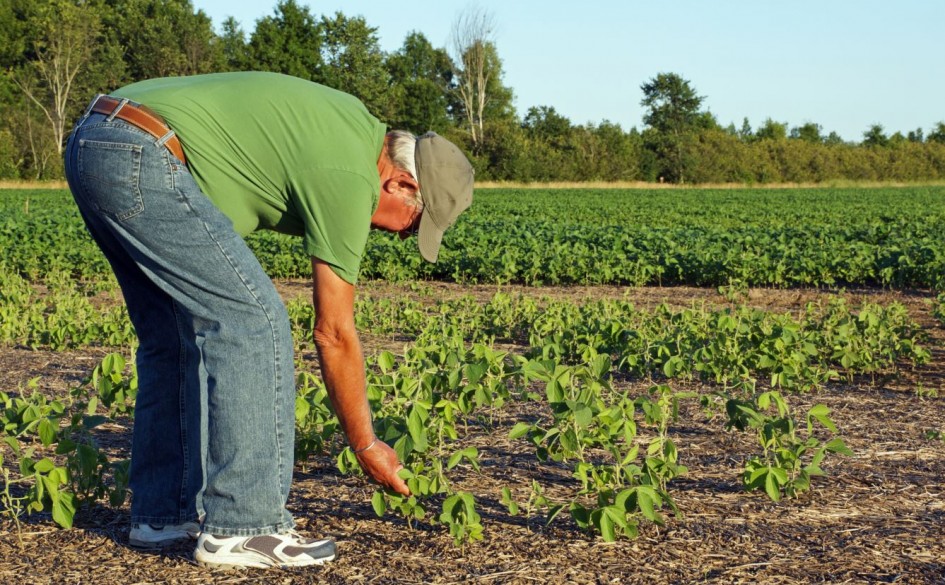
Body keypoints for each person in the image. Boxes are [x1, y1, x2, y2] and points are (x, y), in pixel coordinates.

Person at [62, 71, 474, 569]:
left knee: (173, 337)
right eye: (413, 224)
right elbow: (334, 332)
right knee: (253, 322)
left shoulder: (350, 126)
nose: (402, 237)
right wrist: (365, 443)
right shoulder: (353, 176)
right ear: (402, 182)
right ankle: (245, 526)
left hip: (98, 139)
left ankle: (164, 515)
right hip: (145, 150)